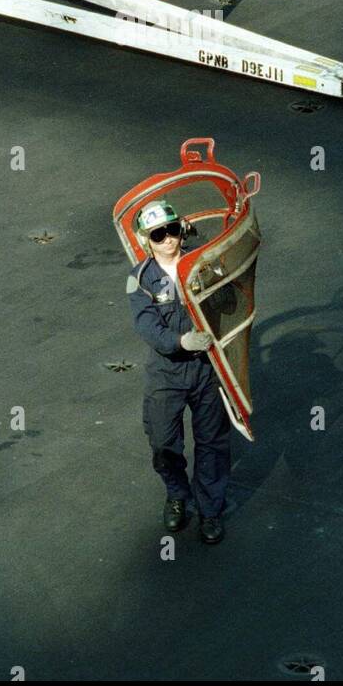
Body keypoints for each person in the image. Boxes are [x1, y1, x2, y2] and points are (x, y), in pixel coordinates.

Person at [126, 199, 231, 544]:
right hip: (167, 373)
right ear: (146, 240)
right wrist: (182, 340)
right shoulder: (139, 280)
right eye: (158, 234)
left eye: (172, 229)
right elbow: (148, 328)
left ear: (181, 228)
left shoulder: (202, 262)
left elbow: (229, 302)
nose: (168, 239)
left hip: (206, 370)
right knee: (163, 443)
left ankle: (210, 511)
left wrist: (217, 272)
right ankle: (177, 495)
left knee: (212, 443)